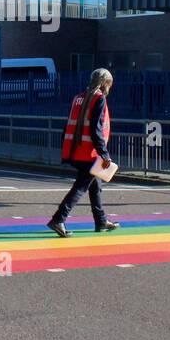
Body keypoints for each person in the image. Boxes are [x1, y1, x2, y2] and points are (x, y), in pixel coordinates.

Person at [48, 68, 120, 237]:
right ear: (104, 84)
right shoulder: (98, 98)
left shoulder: (78, 98)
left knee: (95, 186)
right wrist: (104, 154)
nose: (109, 88)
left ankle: (101, 221)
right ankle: (58, 219)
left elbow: (69, 125)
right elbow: (96, 129)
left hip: (76, 150)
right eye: (109, 84)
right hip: (89, 153)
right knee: (80, 187)